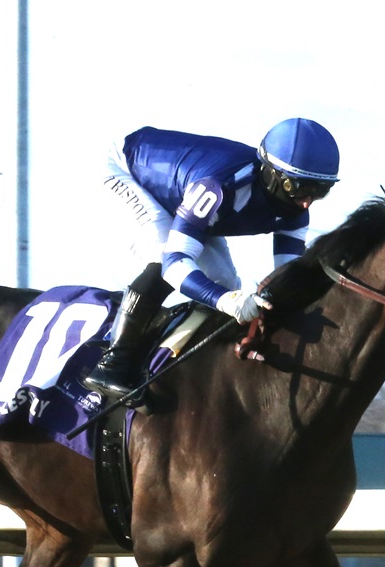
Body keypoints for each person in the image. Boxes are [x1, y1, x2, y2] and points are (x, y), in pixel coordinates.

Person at [82, 117, 341, 398]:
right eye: (297, 187)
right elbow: (174, 264)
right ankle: (112, 364)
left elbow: (289, 277)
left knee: (226, 282)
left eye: (320, 190)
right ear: (272, 173)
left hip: (184, 195)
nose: (306, 201)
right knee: (164, 253)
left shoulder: (297, 212)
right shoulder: (218, 186)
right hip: (123, 169)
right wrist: (226, 300)